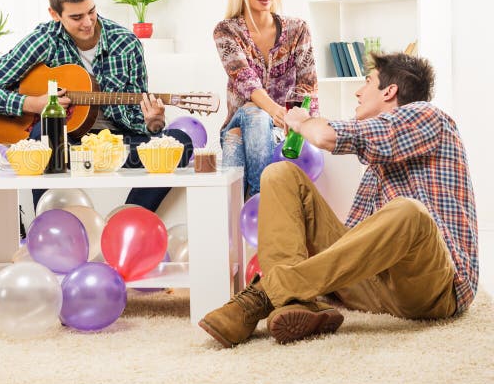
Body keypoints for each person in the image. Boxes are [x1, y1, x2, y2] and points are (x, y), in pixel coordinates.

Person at [199, 52, 478, 347]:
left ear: (389, 91)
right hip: (373, 287)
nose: (358, 92)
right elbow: (354, 245)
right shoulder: (379, 165)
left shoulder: (429, 117)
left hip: (430, 288)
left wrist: (303, 122)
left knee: (411, 213)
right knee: (279, 174)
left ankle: (265, 293)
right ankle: (294, 303)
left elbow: (327, 136)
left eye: (367, 82)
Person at [0, 0, 193, 211]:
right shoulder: (45, 40)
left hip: (117, 147)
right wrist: (34, 104)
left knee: (181, 143)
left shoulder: (127, 43)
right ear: (55, 14)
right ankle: (49, 224)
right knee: (43, 136)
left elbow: (135, 113)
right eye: (77, 17)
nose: (88, 22)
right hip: (66, 147)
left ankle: (125, 219)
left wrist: (151, 123)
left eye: (91, 11)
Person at [214, 0, 318, 197]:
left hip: (283, 129)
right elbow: (246, 82)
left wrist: (301, 125)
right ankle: (264, 200)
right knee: (255, 113)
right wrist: (276, 111)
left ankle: (250, 205)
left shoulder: (297, 29)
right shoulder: (226, 31)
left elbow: (308, 87)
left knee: (235, 142)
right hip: (244, 119)